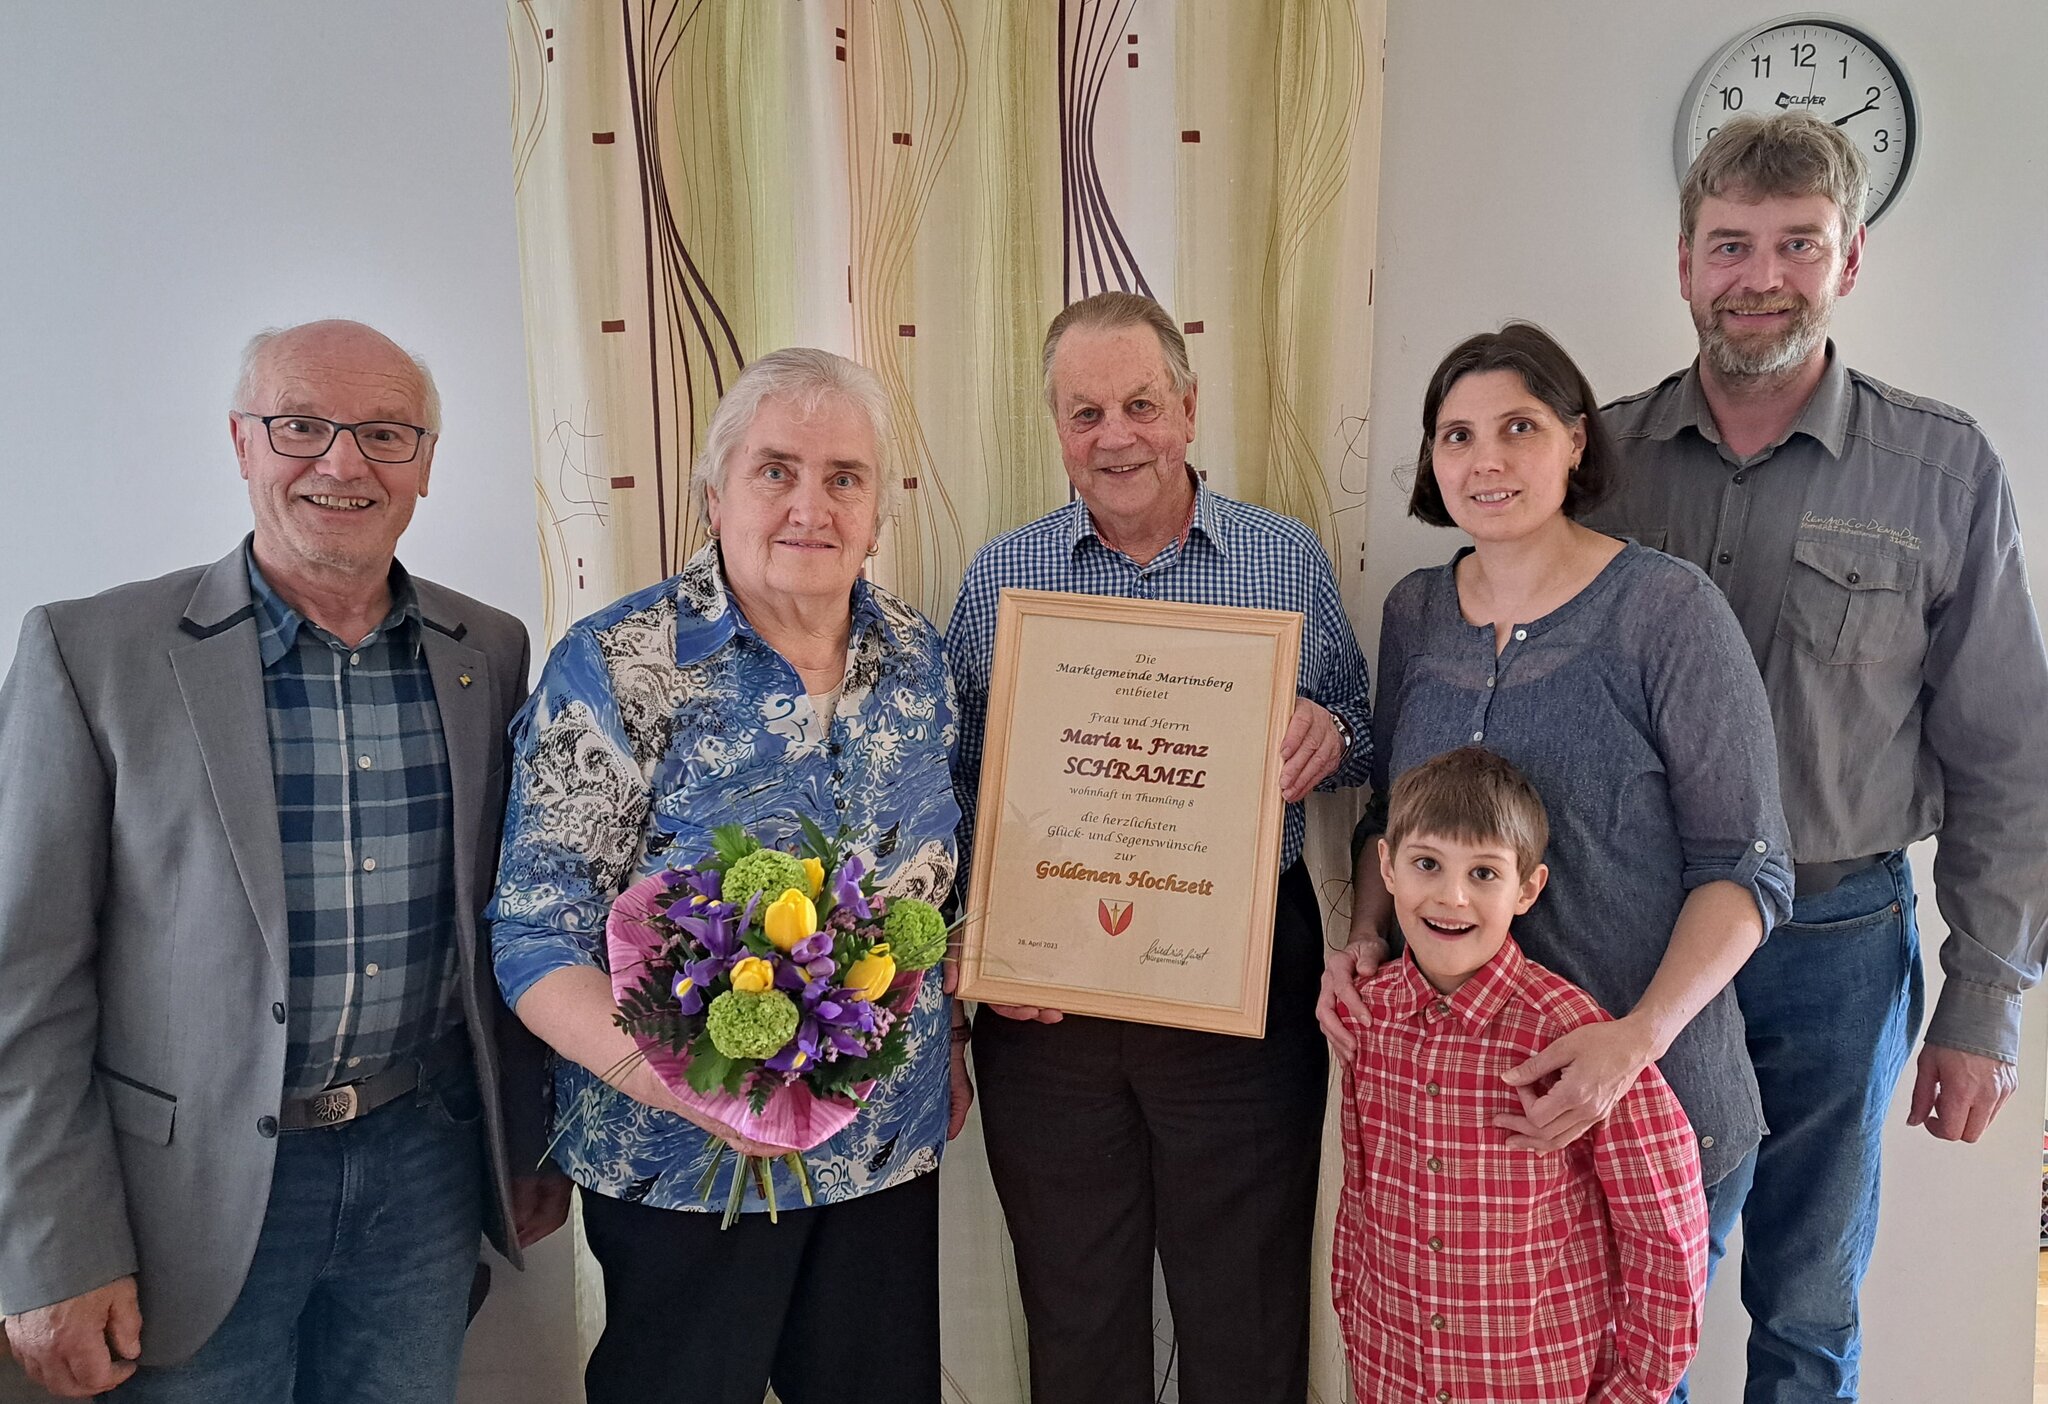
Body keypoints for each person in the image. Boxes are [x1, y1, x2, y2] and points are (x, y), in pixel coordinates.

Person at [0, 320, 566, 1401]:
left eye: (385, 434)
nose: (343, 463)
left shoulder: (488, 650)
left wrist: (526, 1144)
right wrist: (50, 1245)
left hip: (426, 1164)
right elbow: (23, 979)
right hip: (188, 1196)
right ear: (242, 443)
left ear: (425, 464)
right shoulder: (92, 653)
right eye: (301, 426)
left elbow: (507, 916)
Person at [1586, 112, 2048, 1400]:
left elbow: (2010, 759)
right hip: (1639, 940)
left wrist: (1982, 1002)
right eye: (1730, 244)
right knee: (1640, 1293)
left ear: (1847, 261)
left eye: (1797, 243)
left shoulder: (1940, 471)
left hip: (1836, 947)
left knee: (1806, 1306)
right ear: (1684, 262)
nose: (1760, 277)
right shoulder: (1595, 463)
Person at [488, 347, 968, 1404]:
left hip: (882, 1151)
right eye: (775, 470)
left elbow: (941, 886)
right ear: (715, 497)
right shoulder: (619, 665)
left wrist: (959, 1040)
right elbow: (532, 937)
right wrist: (684, 1087)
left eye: (844, 477)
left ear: (877, 516)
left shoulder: (919, 659)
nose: (810, 506)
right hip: (680, 1166)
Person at [949, 291, 1372, 1404]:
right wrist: (977, 952)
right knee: (1074, 1310)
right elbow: (952, 785)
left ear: (1187, 407)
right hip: (1048, 997)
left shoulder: (1283, 558)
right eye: (1084, 412)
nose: (1116, 436)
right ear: (1055, 428)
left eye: (1140, 404)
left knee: (1245, 1313)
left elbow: (1364, 731)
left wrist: (1331, 734)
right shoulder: (1000, 579)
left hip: (1240, 981)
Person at [1318, 323, 1793, 1279]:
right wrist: (1363, 939)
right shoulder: (1415, 613)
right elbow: (1385, 821)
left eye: (1519, 428)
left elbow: (1749, 870)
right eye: (1457, 435)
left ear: (1576, 439)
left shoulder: (1668, 612)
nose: (1486, 460)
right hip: (1471, 1122)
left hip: (1648, 1104)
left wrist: (1634, 1043)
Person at [1333, 745, 1708, 1403]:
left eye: (1483, 873)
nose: (1451, 896)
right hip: (1394, 1375)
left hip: (1536, 1382)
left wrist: (1634, 1391)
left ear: (1528, 888)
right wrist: (1354, 1316)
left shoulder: (1573, 1034)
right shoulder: (1368, 1017)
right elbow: (1360, 1197)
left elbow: (1666, 1235)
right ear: (1388, 867)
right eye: (1427, 864)